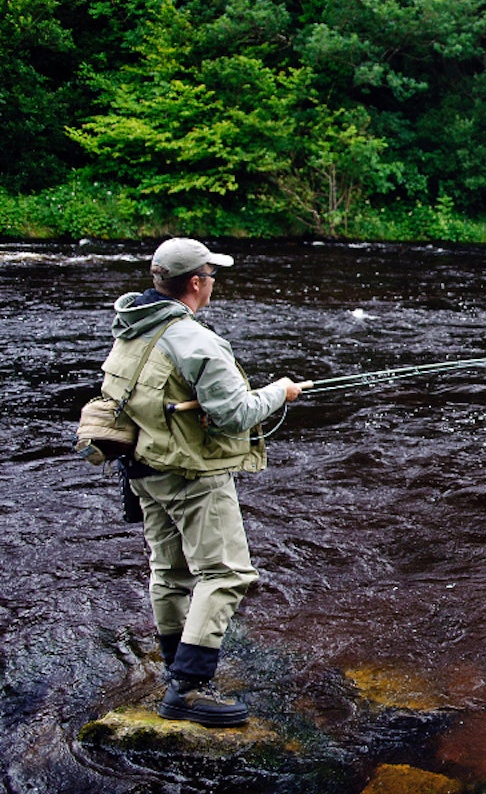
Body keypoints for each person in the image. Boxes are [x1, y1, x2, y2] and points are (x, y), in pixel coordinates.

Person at [100, 237, 303, 727]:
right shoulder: (195, 340)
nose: (213, 284)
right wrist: (280, 391)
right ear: (196, 283)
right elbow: (235, 414)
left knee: (169, 573)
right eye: (211, 276)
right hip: (192, 474)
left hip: (144, 470)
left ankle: (175, 667)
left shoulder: (132, 326)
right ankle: (189, 690)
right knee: (227, 574)